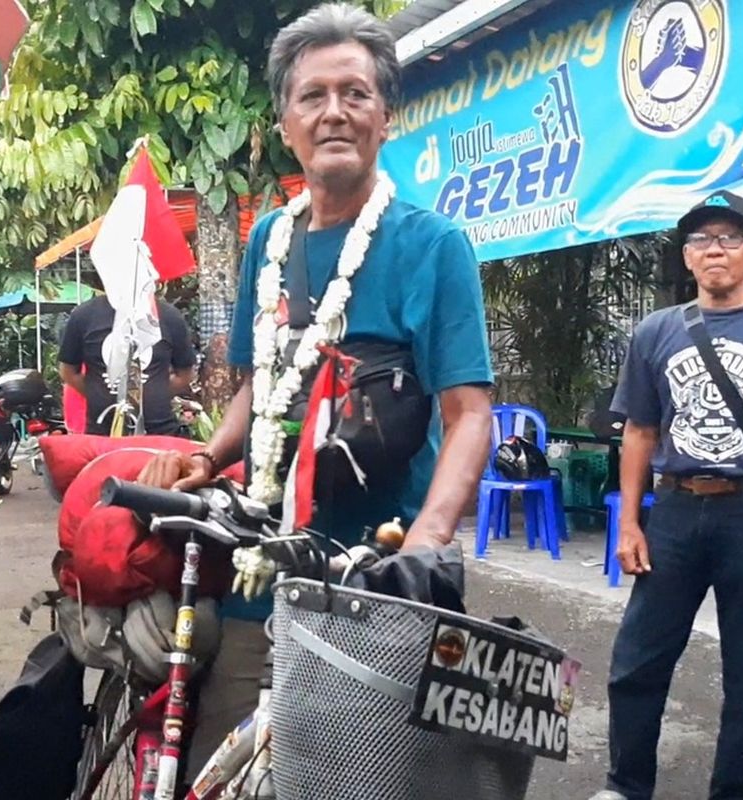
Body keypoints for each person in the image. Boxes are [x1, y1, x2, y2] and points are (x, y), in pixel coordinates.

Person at [137, 2, 494, 776]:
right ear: (286, 121)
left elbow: (471, 416)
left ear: (385, 117)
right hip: (261, 563)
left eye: (356, 93)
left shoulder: (432, 245)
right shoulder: (269, 238)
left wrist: (427, 542)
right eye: (314, 96)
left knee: (353, 775)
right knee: (220, 759)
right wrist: (213, 454)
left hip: (376, 577)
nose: (336, 111)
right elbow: (256, 387)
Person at [592, 190, 743, 800]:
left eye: (730, 237)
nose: (715, 250)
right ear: (686, 255)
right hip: (675, 510)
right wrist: (630, 522)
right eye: (702, 240)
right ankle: (626, 786)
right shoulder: (657, 331)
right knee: (637, 663)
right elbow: (641, 433)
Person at [58, 293, 196, 435]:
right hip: (102, 434)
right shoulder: (84, 315)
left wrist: (154, 393)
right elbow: (68, 372)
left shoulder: (169, 317)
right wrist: (97, 393)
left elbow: (184, 374)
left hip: (160, 433)